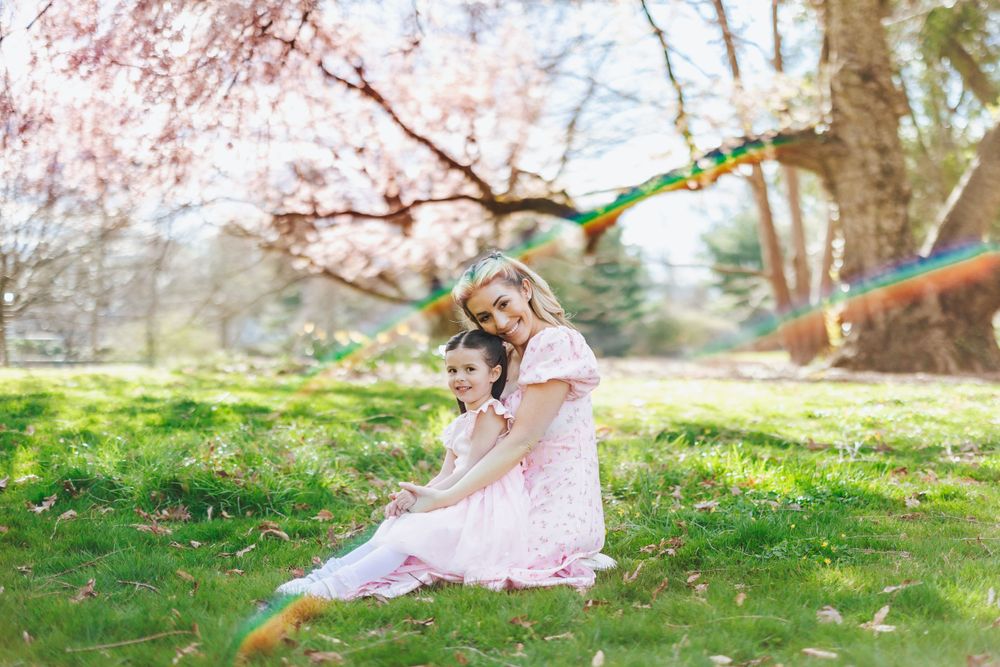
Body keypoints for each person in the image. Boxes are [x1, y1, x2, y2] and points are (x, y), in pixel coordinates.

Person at [400, 250, 613, 590]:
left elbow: (522, 440)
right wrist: (435, 490)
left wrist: (446, 498)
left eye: (503, 304)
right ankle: (332, 582)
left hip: (551, 506)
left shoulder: (556, 343)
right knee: (415, 531)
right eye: (484, 316)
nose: (499, 323)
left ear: (525, 290)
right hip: (507, 493)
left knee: (433, 550)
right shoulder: (508, 355)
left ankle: (332, 587)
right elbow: (481, 441)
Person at [275, 329, 529, 599]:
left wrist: (432, 500)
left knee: (410, 535)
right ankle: (324, 576)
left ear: (493, 373)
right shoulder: (462, 421)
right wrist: (415, 495)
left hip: (480, 503)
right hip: (457, 491)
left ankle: (333, 587)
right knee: (396, 527)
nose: (460, 378)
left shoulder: (491, 414)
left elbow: (471, 470)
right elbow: (447, 472)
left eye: (470, 369)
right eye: (452, 370)